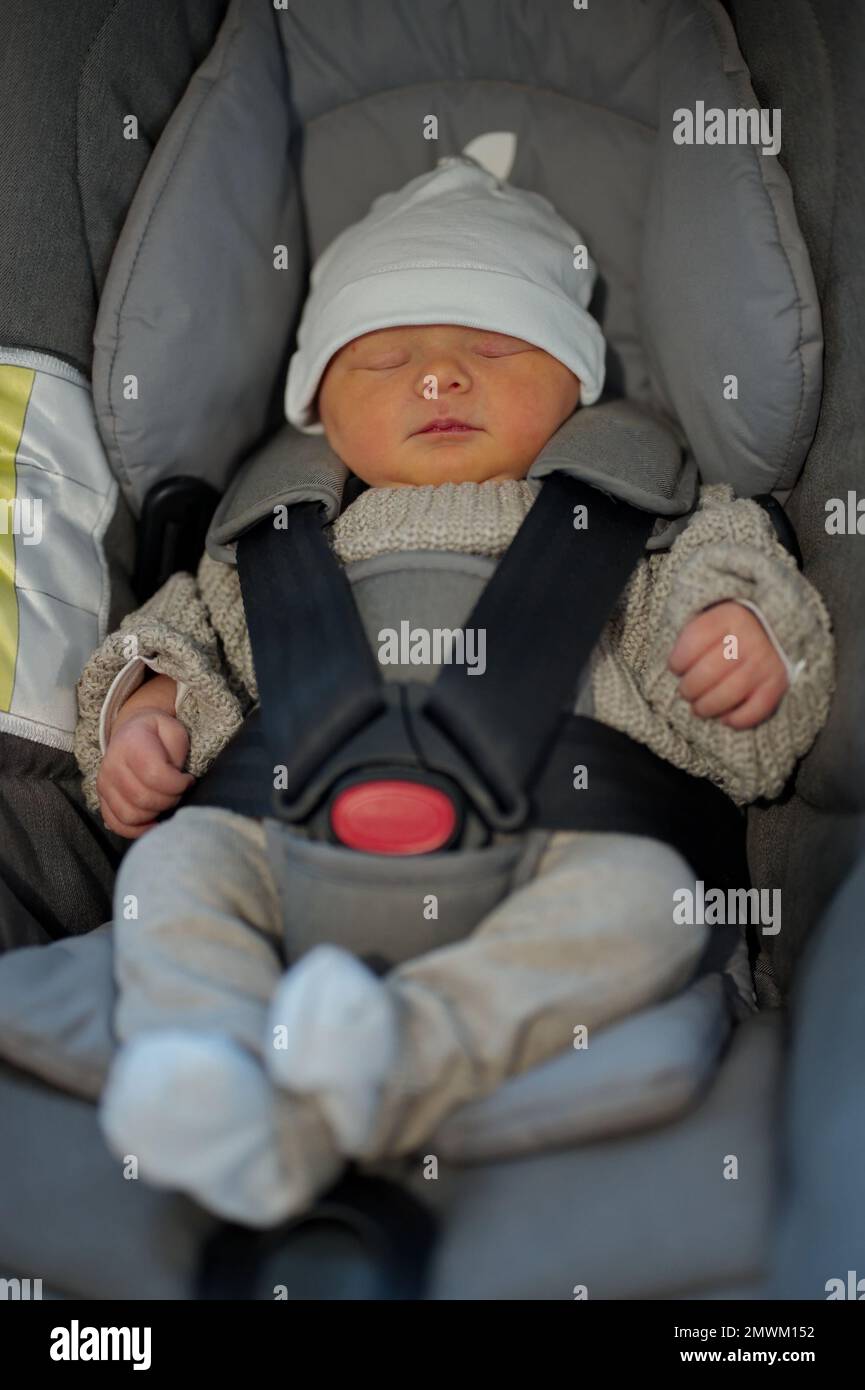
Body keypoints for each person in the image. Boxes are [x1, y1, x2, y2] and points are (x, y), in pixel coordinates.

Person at [72, 157, 835, 1228]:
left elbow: (735, 607)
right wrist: (145, 715)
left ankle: (392, 1058)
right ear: (319, 414)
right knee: (175, 866)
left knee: (652, 901)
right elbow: (174, 647)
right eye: (384, 355)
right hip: (294, 858)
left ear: (577, 384)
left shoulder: (639, 518)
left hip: (548, 858)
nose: (437, 377)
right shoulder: (266, 547)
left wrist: (740, 643)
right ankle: (212, 1052)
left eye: (491, 346)